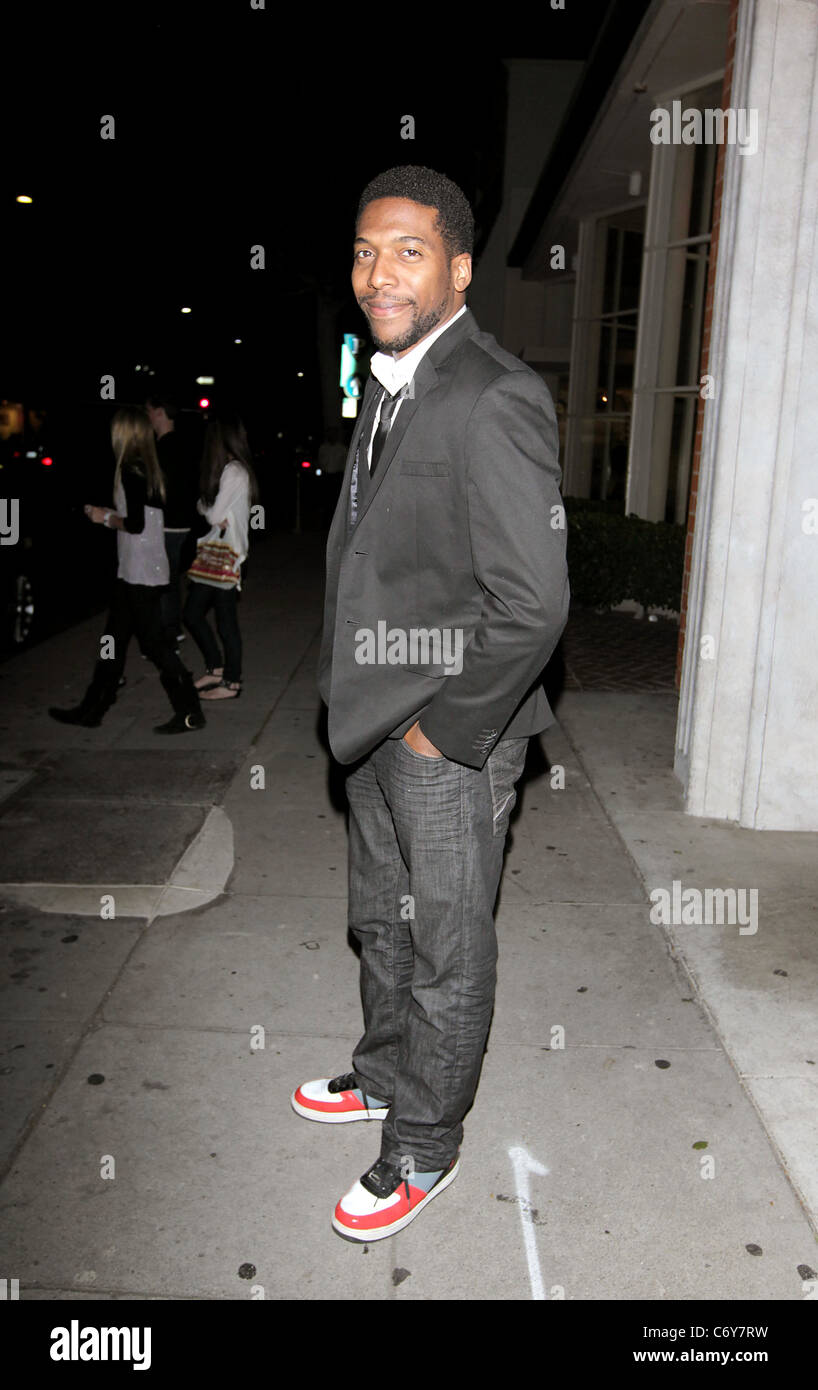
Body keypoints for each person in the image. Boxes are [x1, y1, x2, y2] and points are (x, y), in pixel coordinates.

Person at [291, 166, 570, 1241]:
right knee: (380, 922)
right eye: (364, 250)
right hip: (368, 717)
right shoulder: (392, 373)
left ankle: (421, 1145)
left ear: (457, 266)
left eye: (405, 249)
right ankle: (379, 1074)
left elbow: (531, 604)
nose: (376, 272)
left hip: (450, 734)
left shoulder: (491, 392)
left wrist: (437, 731)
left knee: (448, 948)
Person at [48, 406, 205, 733]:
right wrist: (109, 512)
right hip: (135, 568)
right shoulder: (144, 466)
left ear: (124, 433)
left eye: (115, 429)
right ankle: (93, 707)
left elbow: (133, 523)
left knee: (154, 644)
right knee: (114, 638)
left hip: (141, 571)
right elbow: (144, 516)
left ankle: (190, 711)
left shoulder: (133, 469)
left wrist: (103, 518)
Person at [183, 409, 257, 701]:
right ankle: (218, 670)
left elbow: (211, 513)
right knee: (202, 615)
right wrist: (211, 510)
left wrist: (205, 507)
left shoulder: (233, 472)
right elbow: (215, 514)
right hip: (224, 554)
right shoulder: (235, 470)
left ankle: (230, 681)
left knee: (215, 619)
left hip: (228, 556)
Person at [145, 393, 200, 649]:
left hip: (166, 523)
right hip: (181, 522)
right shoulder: (184, 444)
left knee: (162, 579)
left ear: (158, 411)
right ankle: (172, 629)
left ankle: (169, 634)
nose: (148, 417)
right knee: (170, 577)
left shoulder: (163, 447)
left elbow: (159, 490)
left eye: (149, 411)